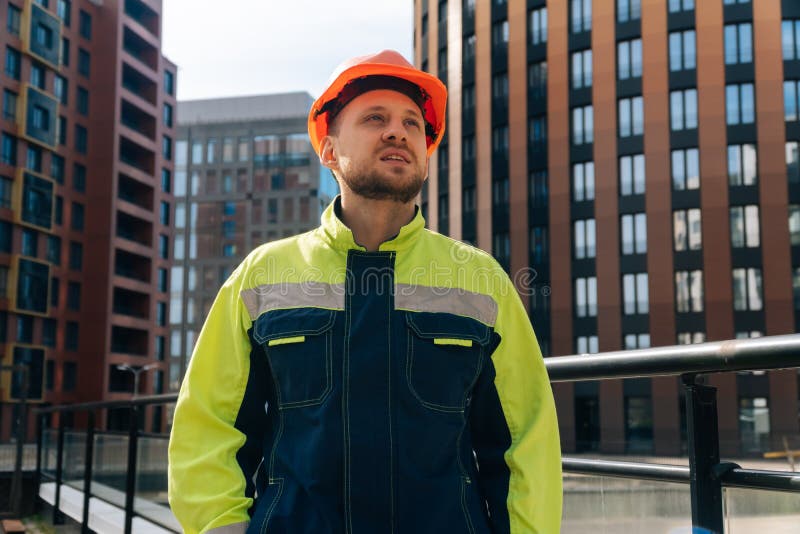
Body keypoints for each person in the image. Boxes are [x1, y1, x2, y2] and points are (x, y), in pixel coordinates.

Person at [168, 50, 562, 534]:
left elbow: (526, 440)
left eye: (412, 123)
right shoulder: (262, 275)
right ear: (329, 151)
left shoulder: (481, 279)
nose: (398, 132)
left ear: (426, 155)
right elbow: (209, 425)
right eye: (375, 118)